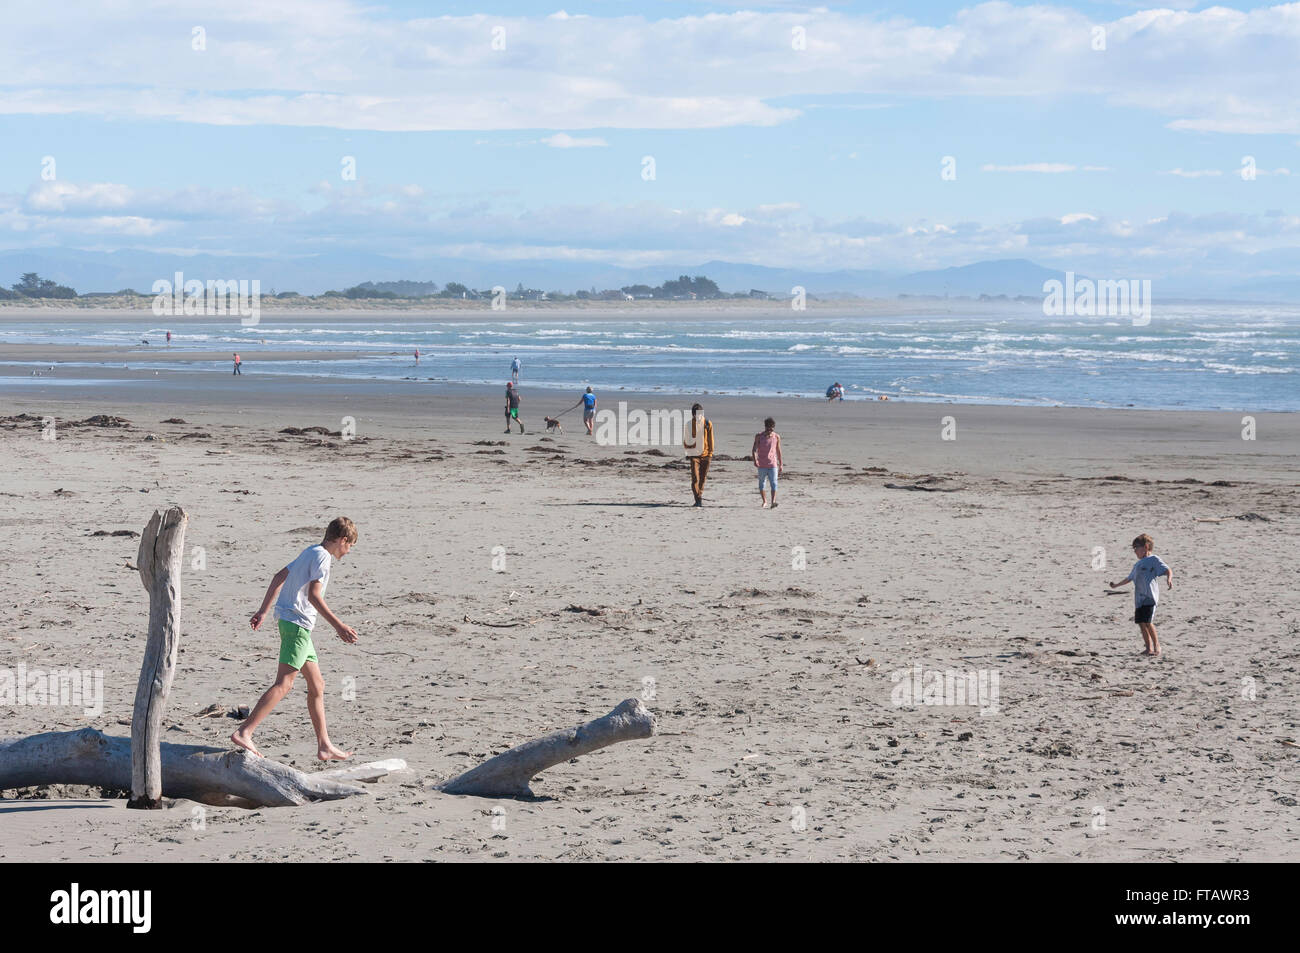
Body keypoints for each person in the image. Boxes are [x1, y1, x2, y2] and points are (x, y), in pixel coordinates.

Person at [232, 517, 360, 760]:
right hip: (297, 625)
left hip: (292, 623)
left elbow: (278, 576)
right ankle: (244, 730)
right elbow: (314, 596)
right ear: (343, 540)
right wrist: (339, 626)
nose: (349, 550)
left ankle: (324, 745)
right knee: (285, 683)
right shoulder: (323, 557)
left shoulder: (310, 551)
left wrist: (263, 610)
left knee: (317, 685)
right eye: (350, 545)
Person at [1108, 533, 1173, 657]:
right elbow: (1129, 578)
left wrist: (1169, 579)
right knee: (1141, 623)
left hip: (1150, 597)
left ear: (1146, 547)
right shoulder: (1137, 565)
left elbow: (1167, 570)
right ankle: (1148, 648)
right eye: (1134, 548)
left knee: (1148, 622)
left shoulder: (1153, 560)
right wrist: (1116, 586)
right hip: (1139, 599)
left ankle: (1157, 646)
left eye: (1137, 547)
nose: (1135, 551)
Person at [683, 402, 714, 506]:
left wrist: (710, 453)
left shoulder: (707, 423)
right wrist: (687, 452)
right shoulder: (688, 424)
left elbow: (711, 439)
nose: (699, 417)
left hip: (706, 455)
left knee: (703, 478)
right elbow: (686, 439)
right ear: (693, 415)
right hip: (694, 456)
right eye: (697, 415)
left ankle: (699, 497)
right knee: (695, 478)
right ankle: (698, 500)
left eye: (700, 414)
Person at [751, 417, 783, 509]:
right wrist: (755, 460)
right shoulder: (759, 436)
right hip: (761, 464)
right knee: (762, 483)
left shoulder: (776, 437)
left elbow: (778, 451)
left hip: (773, 464)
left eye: (771, 428)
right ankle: (764, 501)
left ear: (773, 427)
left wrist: (781, 464)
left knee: (774, 483)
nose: (769, 430)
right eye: (768, 428)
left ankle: (773, 502)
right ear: (765, 427)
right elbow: (754, 449)